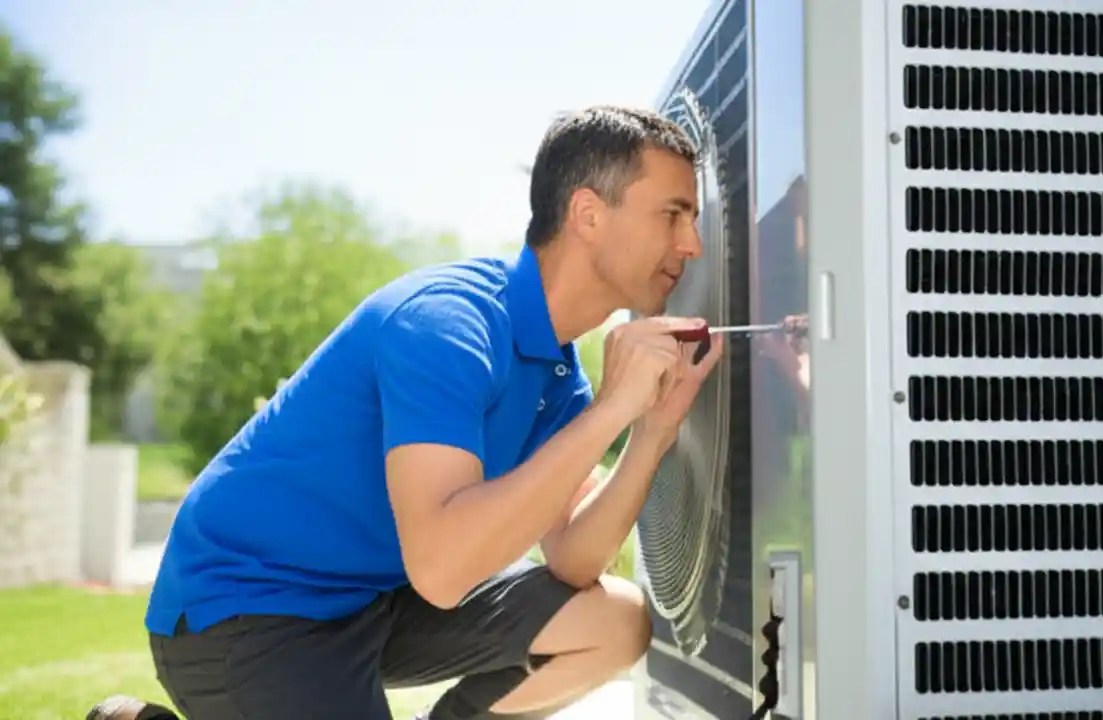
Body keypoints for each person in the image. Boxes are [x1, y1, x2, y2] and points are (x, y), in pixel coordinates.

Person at [100, 105, 723, 720]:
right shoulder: (446, 324)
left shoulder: (557, 375)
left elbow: (573, 561)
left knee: (612, 622)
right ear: (588, 214)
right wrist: (611, 410)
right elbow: (446, 571)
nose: (691, 244)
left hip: (373, 601)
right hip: (247, 610)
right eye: (673, 215)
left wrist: (648, 432)